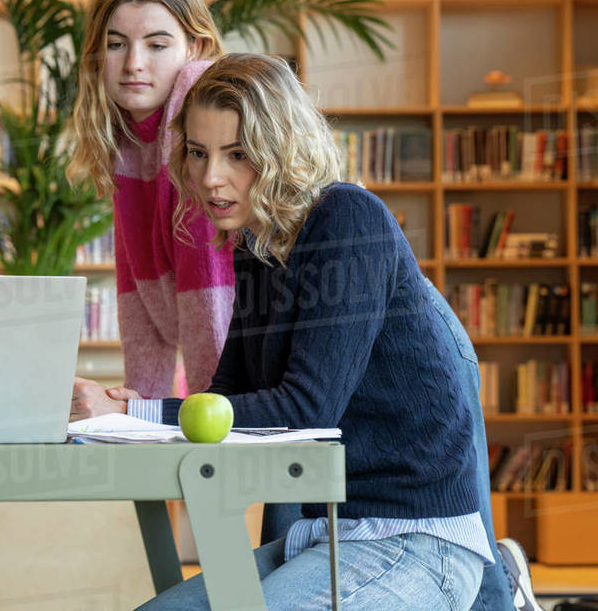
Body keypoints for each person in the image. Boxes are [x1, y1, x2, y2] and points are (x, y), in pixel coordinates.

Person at [134, 52, 500, 610]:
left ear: (280, 148)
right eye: (199, 153)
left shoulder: (347, 217)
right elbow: (225, 398)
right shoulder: (255, 247)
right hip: (321, 537)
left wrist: (141, 413)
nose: (211, 178)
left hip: (414, 539)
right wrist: (130, 414)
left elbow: (306, 411)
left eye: (238, 154)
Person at [64, 0, 233, 408]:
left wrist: (206, 419)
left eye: (157, 45)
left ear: (195, 47)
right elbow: (137, 300)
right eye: (116, 44)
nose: (133, 64)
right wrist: (136, 417)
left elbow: (211, 297)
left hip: (257, 393)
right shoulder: (126, 142)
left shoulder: (201, 119)